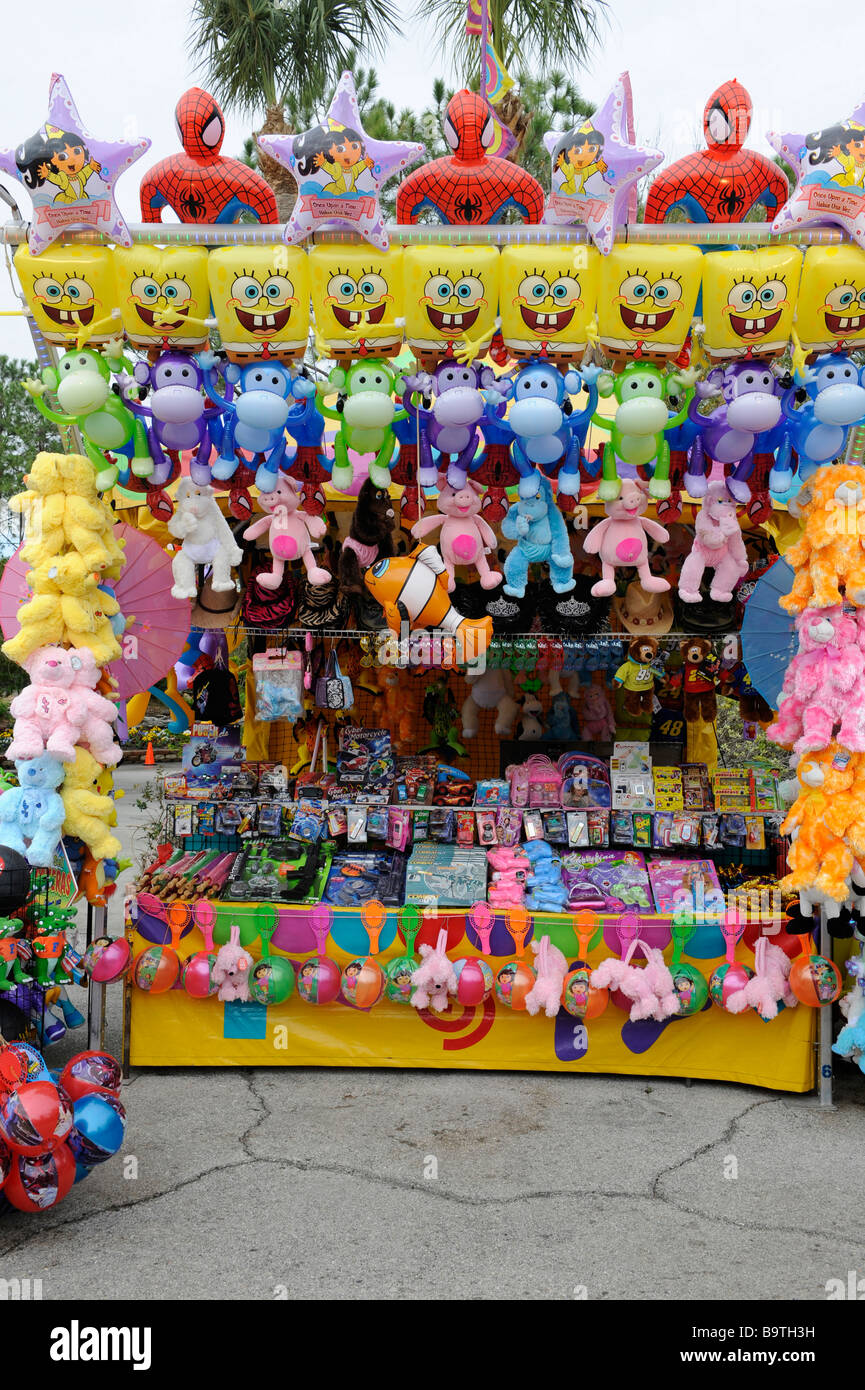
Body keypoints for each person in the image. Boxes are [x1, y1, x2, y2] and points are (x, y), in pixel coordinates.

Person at [16, 126, 102, 203]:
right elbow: (57, 180)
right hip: (67, 202)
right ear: (53, 161)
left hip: (82, 201)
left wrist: (90, 167)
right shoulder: (63, 177)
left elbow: (84, 173)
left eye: (77, 151)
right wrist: (48, 175)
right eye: (62, 157)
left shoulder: (79, 177)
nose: (72, 159)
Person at [294, 121, 374, 196]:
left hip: (350, 192)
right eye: (340, 149)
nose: (348, 153)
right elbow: (332, 170)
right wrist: (323, 163)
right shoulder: (337, 167)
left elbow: (358, 167)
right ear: (330, 152)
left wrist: (365, 163)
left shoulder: (353, 170)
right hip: (336, 192)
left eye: (354, 146)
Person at [553, 124, 608, 196]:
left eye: (591, 149)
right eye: (577, 151)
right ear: (568, 153)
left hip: (579, 193)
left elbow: (590, 169)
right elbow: (565, 169)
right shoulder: (570, 169)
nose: (583, 157)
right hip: (568, 191)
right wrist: (562, 163)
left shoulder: (584, 171)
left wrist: (597, 166)